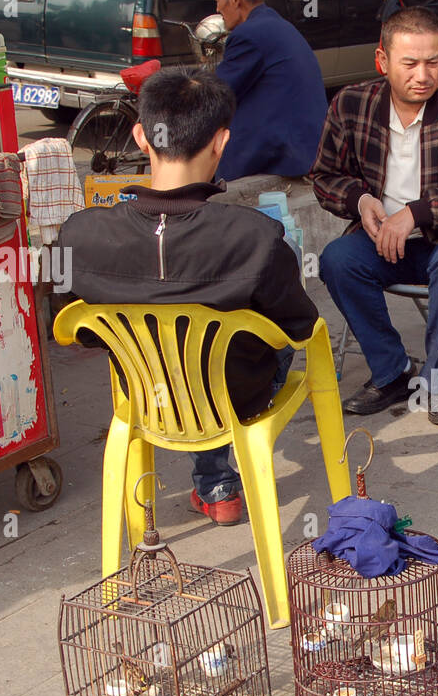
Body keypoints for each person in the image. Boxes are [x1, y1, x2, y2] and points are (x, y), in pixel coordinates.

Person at [60, 68, 319, 527]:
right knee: (252, 333)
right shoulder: (255, 238)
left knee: (178, 343)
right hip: (235, 400)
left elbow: (80, 331)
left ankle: (215, 486)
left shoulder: (80, 236)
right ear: (221, 142)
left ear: (141, 137)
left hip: (145, 399)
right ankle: (218, 481)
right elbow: (297, 327)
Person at [311, 6, 438, 427]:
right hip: (384, 241)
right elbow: (325, 176)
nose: (423, 74)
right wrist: (361, 201)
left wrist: (415, 214)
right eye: (410, 63)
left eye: (433, 61)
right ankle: (392, 373)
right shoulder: (351, 104)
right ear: (382, 61)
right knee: (337, 260)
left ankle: (436, 384)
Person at [211, 0, 328, 181]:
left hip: (286, 148)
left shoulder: (248, 34)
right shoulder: (276, 24)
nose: (217, 8)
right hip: (305, 140)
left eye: (218, 0)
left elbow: (218, 92)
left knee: (211, 140)